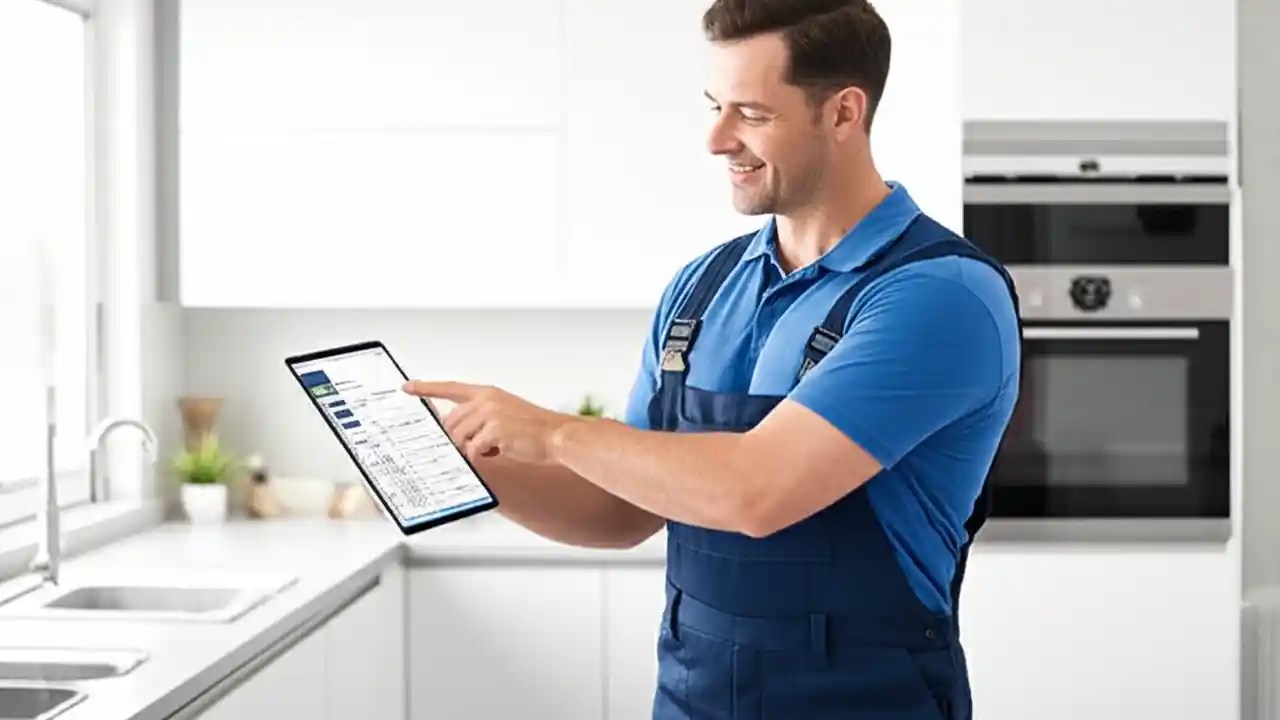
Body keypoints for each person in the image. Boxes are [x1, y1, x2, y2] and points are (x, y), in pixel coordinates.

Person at [402, 0, 1021, 717]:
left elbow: (755, 493)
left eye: (751, 114)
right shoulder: (702, 288)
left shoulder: (938, 296)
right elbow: (617, 511)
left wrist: (556, 432)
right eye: (713, 106)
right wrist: (459, 463)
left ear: (844, 113)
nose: (716, 139)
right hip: (691, 700)